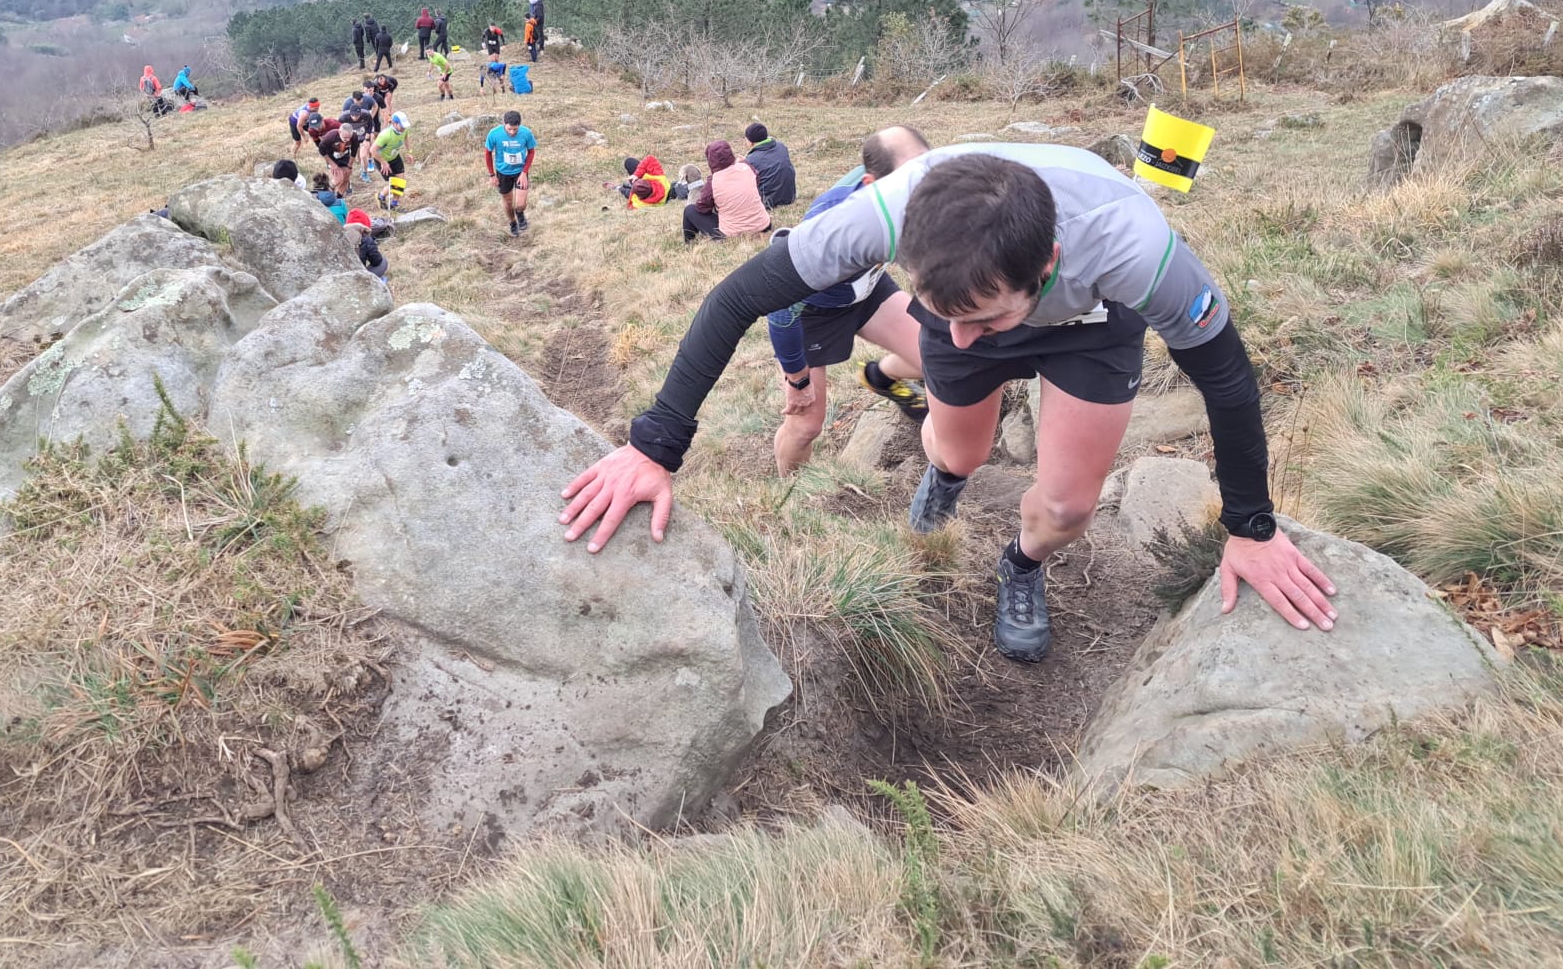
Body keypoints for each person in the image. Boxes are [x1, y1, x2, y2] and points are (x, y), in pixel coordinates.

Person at [557, 140, 1337, 666]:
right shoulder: (885, 214)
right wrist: (655, 446)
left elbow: (1228, 378)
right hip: (981, 293)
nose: (962, 344)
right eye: (943, 314)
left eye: (986, 318)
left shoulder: (1131, 246)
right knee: (959, 448)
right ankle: (948, 477)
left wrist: (1252, 529)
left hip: (1089, 332)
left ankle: (1020, 565)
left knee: (1068, 509)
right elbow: (736, 298)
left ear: (1051, 264)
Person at [765, 128, 932, 476]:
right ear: (873, 184)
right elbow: (780, 308)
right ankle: (789, 493)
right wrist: (797, 381)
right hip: (813, 308)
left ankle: (881, 377)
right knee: (806, 425)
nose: (924, 190)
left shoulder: (925, 185)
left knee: (939, 355)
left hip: (866, 288)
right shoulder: (834, 220)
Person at [686, 139, 771, 244]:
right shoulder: (746, 166)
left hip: (733, 234)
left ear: (710, 160)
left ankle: (689, 242)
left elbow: (702, 207)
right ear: (730, 153)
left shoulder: (713, 181)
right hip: (764, 225)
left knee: (689, 210)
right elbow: (757, 180)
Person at [484, 108, 536, 237]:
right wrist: (492, 175)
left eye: (515, 129)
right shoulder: (494, 134)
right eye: (509, 129)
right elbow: (487, 153)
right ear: (504, 124)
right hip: (503, 172)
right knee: (507, 202)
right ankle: (513, 222)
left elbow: (531, 152)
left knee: (521, 204)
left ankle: (520, 213)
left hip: (520, 172)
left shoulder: (526, 133)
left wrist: (524, 172)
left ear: (519, 125)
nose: (512, 132)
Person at [742, 121, 798, 210]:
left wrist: (741, 164)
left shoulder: (751, 160)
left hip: (769, 201)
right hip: (789, 196)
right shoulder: (781, 146)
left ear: (751, 142)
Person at [372, 110, 411, 210]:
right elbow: (373, 150)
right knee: (394, 183)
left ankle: (394, 204)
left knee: (400, 182)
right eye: (401, 126)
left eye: (404, 126)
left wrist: (409, 152)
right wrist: (383, 162)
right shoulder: (385, 135)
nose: (403, 128)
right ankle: (381, 196)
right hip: (381, 159)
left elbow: (406, 138)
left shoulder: (404, 130)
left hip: (395, 157)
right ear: (394, 123)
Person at [345, 208, 388, 279]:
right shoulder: (365, 239)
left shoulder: (339, 235)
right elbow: (376, 261)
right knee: (383, 261)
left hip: (339, 277)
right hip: (358, 277)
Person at [320, 121, 360, 195]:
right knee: (338, 178)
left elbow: (354, 152)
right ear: (339, 132)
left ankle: (339, 196)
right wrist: (332, 164)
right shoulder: (330, 137)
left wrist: (350, 166)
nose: (347, 140)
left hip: (344, 156)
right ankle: (326, 193)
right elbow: (322, 151)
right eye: (345, 137)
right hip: (332, 158)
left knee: (346, 177)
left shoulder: (354, 136)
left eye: (349, 138)